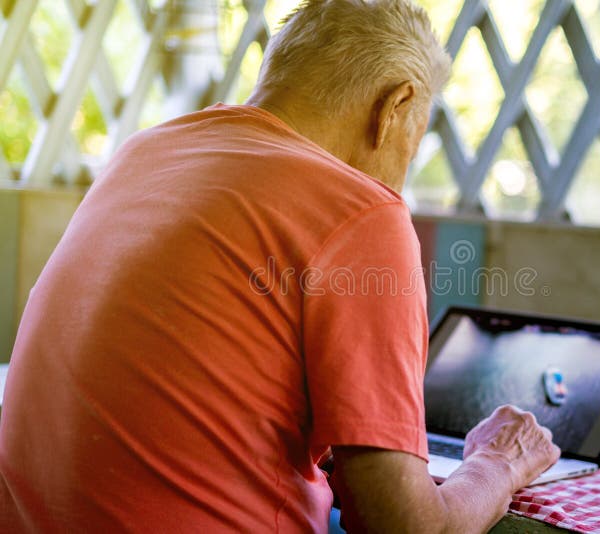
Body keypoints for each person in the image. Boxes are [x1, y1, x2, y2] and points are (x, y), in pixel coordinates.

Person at [0, 0, 559, 532]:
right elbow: (404, 525)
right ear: (394, 107)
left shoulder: (144, 155)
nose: (402, 176)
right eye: (413, 145)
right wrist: (498, 463)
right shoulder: (360, 208)